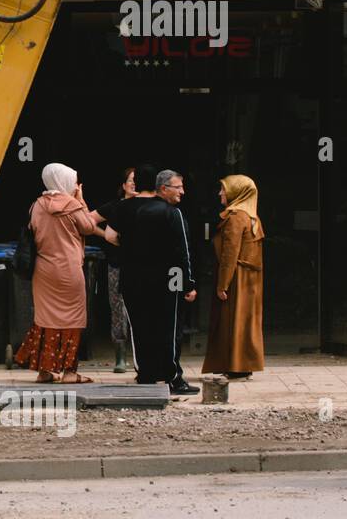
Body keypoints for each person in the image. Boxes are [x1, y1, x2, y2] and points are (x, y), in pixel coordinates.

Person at [103, 169, 200, 395]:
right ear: (163, 188)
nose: (182, 192)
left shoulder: (125, 210)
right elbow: (182, 252)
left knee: (140, 329)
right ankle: (173, 378)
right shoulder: (171, 213)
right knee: (169, 329)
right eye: (179, 187)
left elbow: (111, 236)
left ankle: (146, 374)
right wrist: (189, 283)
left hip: (132, 279)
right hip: (166, 281)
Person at [15, 163, 101, 384]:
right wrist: (80, 198)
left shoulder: (37, 205)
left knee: (45, 319)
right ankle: (70, 372)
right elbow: (89, 227)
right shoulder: (72, 204)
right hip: (70, 270)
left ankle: (45, 371)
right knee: (73, 319)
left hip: (44, 271)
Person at [202, 175, 265, 379]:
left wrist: (222, 285)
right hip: (249, 278)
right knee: (245, 321)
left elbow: (230, 254)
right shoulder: (251, 216)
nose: (220, 193)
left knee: (232, 320)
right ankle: (240, 364)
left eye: (224, 189)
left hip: (237, 278)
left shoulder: (236, 216)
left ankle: (236, 365)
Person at [91, 166, 138, 373]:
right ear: (123, 185)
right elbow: (88, 221)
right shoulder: (115, 207)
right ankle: (121, 356)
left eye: (138, 180)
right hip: (117, 264)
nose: (134, 184)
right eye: (130, 180)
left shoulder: (149, 206)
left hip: (142, 265)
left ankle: (142, 355)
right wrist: (108, 237)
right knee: (118, 309)